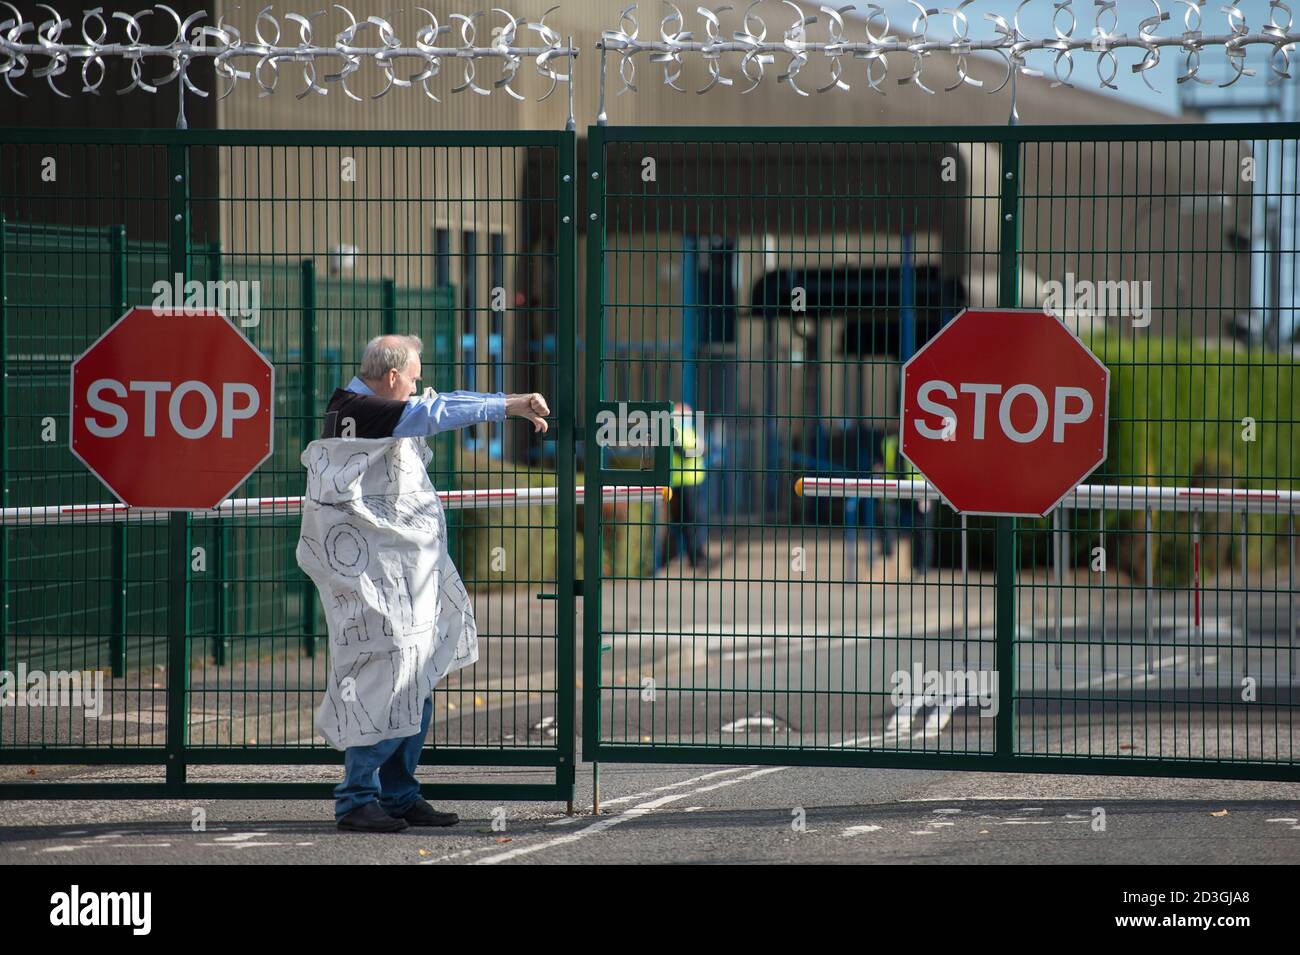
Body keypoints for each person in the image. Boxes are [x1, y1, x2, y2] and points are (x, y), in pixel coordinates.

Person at [315, 334, 549, 833]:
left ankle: (398, 794)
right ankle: (356, 798)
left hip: (397, 575)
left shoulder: (360, 406)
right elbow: (439, 411)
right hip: (375, 580)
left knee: (414, 681)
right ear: (393, 376)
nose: (419, 385)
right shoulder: (369, 408)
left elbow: (431, 409)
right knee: (387, 682)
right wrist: (510, 404)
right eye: (414, 377)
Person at [664, 401, 713, 570]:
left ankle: (698, 553)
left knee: (697, 519)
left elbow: (705, 449)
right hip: (681, 484)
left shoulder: (691, 431)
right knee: (686, 521)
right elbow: (684, 453)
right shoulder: (673, 432)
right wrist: (697, 451)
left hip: (696, 481)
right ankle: (690, 556)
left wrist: (697, 451)